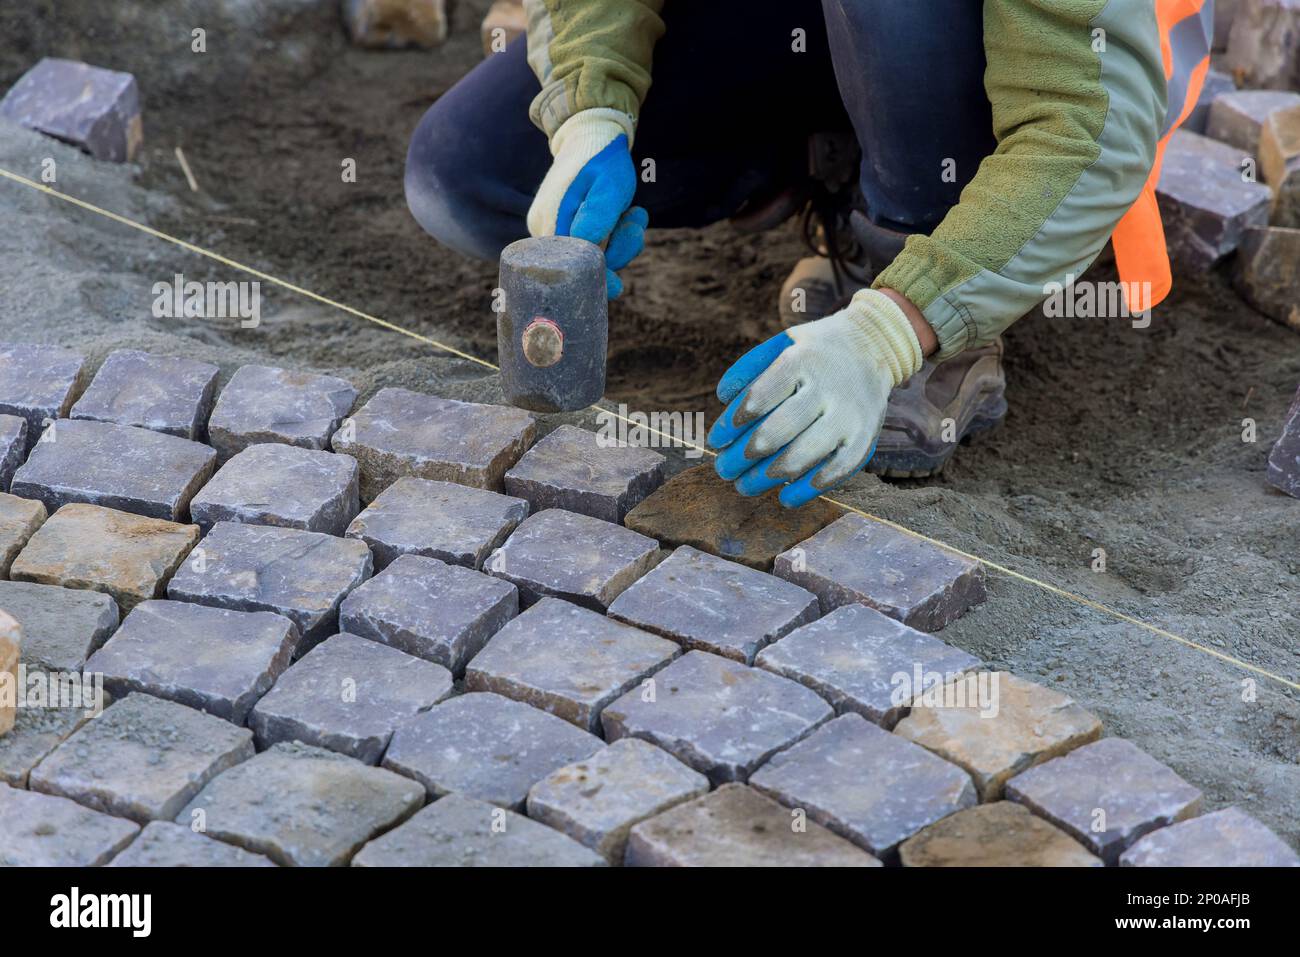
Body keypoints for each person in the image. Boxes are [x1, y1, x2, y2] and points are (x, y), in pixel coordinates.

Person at [405, 0, 1213, 506]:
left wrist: (892, 330)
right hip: (802, 30)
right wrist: (590, 108)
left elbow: (1086, 123)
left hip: (1010, 58)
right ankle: (823, 164)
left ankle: (913, 253)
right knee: (463, 175)